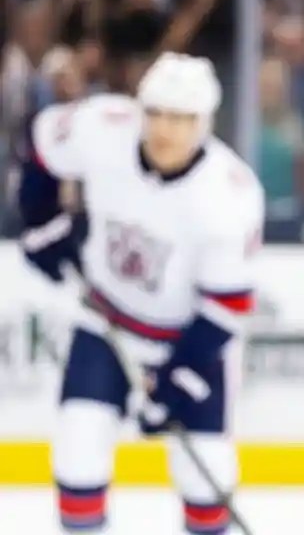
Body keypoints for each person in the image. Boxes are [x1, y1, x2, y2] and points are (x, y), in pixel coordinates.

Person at [18, 52, 264, 535]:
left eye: (181, 118)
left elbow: (226, 308)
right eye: (155, 113)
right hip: (104, 321)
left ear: (204, 123)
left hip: (188, 338)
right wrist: (41, 222)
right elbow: (40, 143)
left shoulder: (229, 196)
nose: (164, 130)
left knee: (205, 477)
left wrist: (176, 380)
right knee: (78, 453)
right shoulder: (101, 127)